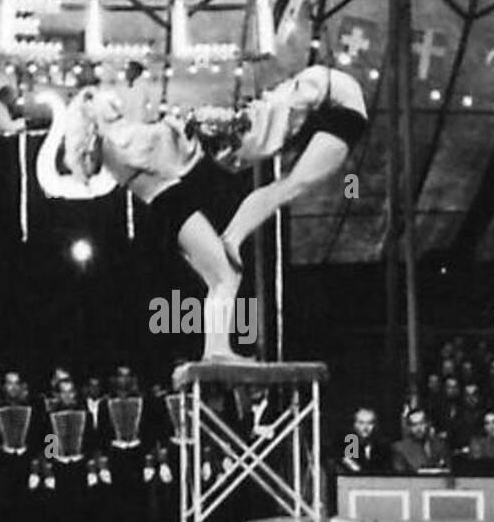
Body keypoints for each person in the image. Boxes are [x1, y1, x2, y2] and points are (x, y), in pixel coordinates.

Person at [38, 86, 243, 359]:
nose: (113, 99)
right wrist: (184, 126)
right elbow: (167, 151)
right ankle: (218, 350)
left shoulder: (116, 138)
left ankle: (216, 349)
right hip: (171, 201)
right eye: (103, 98)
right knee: (227, 273)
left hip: (168, 203)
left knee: (219, 277)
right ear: (91, 110)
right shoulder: (115, 141)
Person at [199, 64, 369, 273]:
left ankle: (231, 238)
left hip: (325, 96)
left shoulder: (301, 95)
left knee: (284, 187)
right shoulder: (310, 96)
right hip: (334, 104)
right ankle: (231, 238)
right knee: (286, 188)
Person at [390, 407, 450, 474]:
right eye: (414, 424)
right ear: (409, 428)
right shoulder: (400, 448)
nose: (418, 428)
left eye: (421, 423)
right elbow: (399, 478)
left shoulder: (440, 445)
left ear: (427, 424)